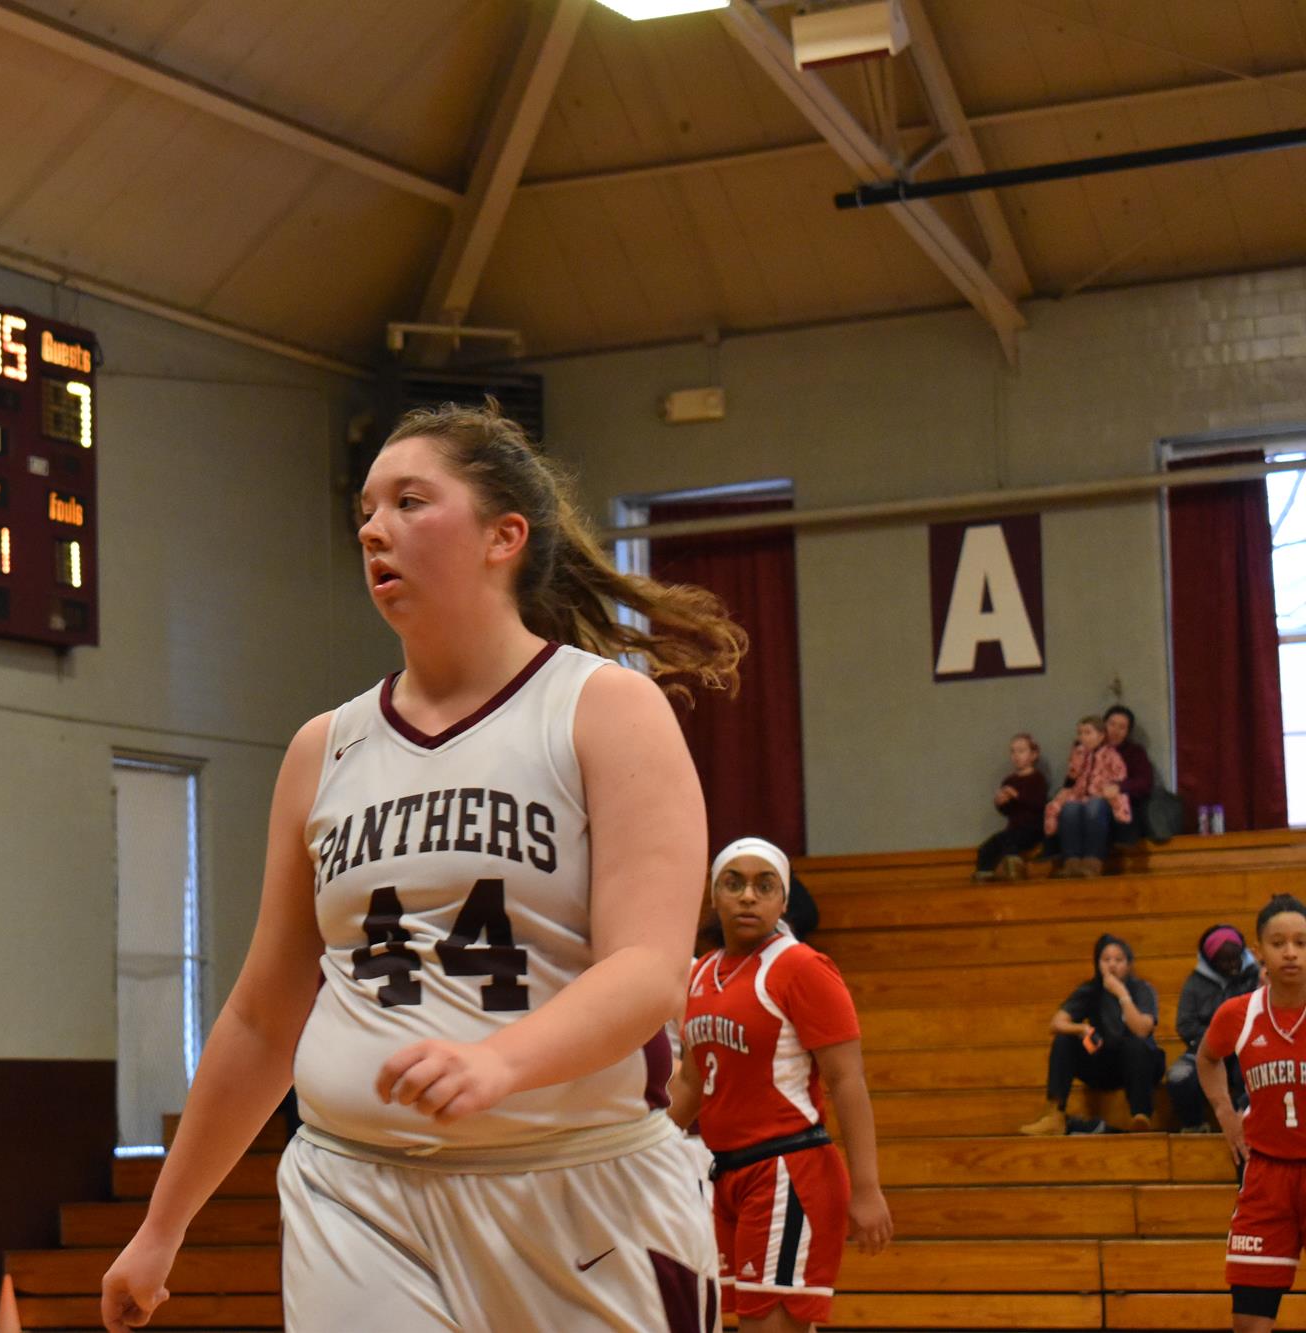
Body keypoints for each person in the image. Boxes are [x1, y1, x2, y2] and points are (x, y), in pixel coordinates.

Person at [99, 401, 747, 1333]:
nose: (373, 528)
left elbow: (648, 974)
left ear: (504, 536)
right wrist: (163, 1224)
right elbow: (261, 1011)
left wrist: (500, 1062)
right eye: (366, 509)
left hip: (579, 1192)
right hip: (355, 1194)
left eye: (409, 500)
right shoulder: (323, 748)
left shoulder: (604, 711)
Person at [671, 838, 893, 1333]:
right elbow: (690, 1081)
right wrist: (638, 1146)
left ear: (783, 900)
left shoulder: (801, 967)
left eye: (764, 885)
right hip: (727, 1174)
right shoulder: (702, 973)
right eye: (734, 883)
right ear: (714, 896)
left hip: (787, 1171)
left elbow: (847, 1080)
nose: (748, 896)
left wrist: (867, 1188)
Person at [1197, 894, 1306, 1333]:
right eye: (1278, 942)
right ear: (1258, 951)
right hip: (1266, 1175)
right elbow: (1206, 1059)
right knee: (1250, 1321)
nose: (1291, 952)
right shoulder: (1238, 1014)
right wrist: (1224, 1111)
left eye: (1301, 941)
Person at [1020, 933, 1165, 1134]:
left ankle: (1140, 1115)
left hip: (1141, 1065)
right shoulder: (1091, 989)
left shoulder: (1142, 989)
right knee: (1064, 1041)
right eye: (1106, 960)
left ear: (1129, 964)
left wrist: (1121, 994)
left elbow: (1142, 1030)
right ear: (1097, 964)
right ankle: (1054, 1114)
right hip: (1104, 1062)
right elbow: (1056, 1023)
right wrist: (1081, 1029)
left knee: (1136, 1044)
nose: (1112, 965)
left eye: (1119, 960)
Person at [1166, 924, 1259, 1132]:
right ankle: (1195, 1126)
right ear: (1211, 961)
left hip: (1245, 1046)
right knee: (1178, 1076)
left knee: (1252, 1073)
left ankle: (1247, 1125)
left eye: (1236, 958)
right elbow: (1185, 1024)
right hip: (1206, 1047)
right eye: (1225, 960)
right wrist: (1217, 1040)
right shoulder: (1195, 982)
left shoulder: (1255, 975)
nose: (1233, 965)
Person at [1043, 716, 1132, 878]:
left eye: (1087, 733)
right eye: (1080, 733)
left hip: (1102, 798)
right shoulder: (1079, 754)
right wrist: (1066, 791)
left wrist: (1111, 790)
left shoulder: (1111, 755)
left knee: (1094, 807)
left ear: (1100, 735)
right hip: (1079, 796)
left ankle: (1093, 861)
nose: (1082, 737)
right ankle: (1071, 861)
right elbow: (1072, 776)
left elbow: (1120, 777)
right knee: (1069, 808)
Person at [974, 733, 1048, 881]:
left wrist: (1017, 796)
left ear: (1033, 755)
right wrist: (1001, 803)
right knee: (988, 846)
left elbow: (1038, 804)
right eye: (1013, 751)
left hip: (1033, 828)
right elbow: (1008, 811)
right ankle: (984, 874)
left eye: (1021, 751)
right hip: (1014, 828)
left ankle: (1012, 873)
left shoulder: (1037, 778)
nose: (1016, 755)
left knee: (1011, 843)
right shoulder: (1009, 780)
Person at [1103, 705, 1156, 849]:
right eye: (1112, 724)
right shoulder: (1089, 750)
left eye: (1122, 727)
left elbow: (1145, 782)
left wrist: (1119, 787)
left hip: (1121, 801)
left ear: (1128, 732)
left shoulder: (1135, 752)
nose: (1115, 731)